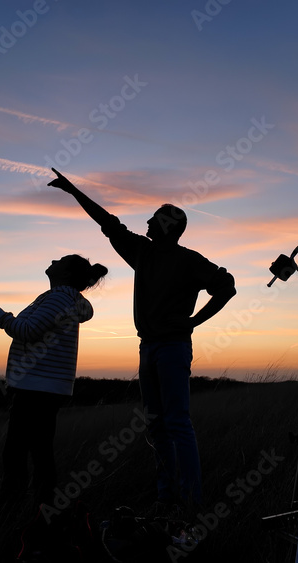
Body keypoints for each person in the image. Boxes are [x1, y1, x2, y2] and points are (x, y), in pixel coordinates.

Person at [47, 168, 236, 514]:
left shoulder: (189, 260)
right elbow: (109, 223)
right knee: (156, 424)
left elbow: (227, 286)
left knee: (177, 422)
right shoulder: (141, 252)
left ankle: (192, 503)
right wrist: (74, 192)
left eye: (153, 219)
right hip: (147, 346)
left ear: (165, 226)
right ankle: (167, 498)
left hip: (173, 348)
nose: (147, 223)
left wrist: (195, 321)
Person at [0, 254, 108, 509]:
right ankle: (43, 513)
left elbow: (27, 331)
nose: (54, 260)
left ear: (66, 274)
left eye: (61, 260)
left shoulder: (58, 297)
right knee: (40, 453)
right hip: (46, 387)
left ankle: (12, 516)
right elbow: (32, 327)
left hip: (36, 388)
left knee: (16, 455)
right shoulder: (66, 298)